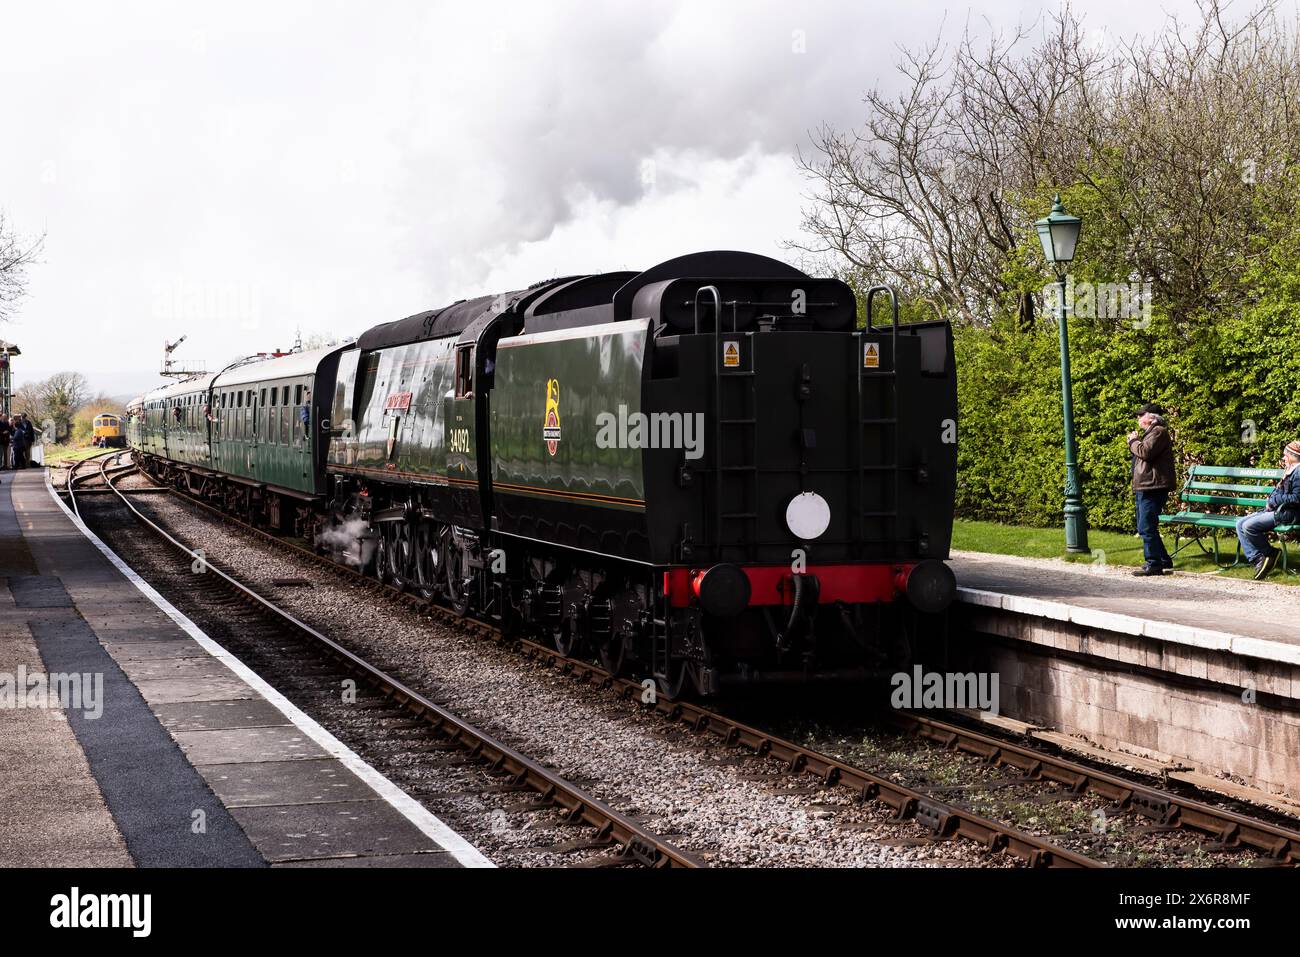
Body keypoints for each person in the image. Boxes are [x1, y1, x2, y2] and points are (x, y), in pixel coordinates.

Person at [1235, 440, 1300, 580]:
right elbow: (1279, 492)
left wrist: (1274, 501)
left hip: (1289, 514)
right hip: (1279, 510)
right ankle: (1258, 560)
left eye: (1286, 455)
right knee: (1240, 524)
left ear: (1293, 455)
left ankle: (1270, 553)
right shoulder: (1290, 470)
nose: (1283, 458)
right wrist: (1271, 501)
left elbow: (1296, 498)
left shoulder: (1298, 472)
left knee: (1249, 526)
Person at [1128, 402, 1176, 576]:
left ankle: (1154, 564)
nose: (1139, 418)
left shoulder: (1158, 432)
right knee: (1146, 526)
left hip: (1153, 486)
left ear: (1152, 417)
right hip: (1147, 485)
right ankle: (1163, 560)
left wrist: (1133, 441)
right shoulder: (1151, 433)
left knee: (1146, 526)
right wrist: (1136, 442)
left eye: (1142, 415)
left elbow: (1145, 452)